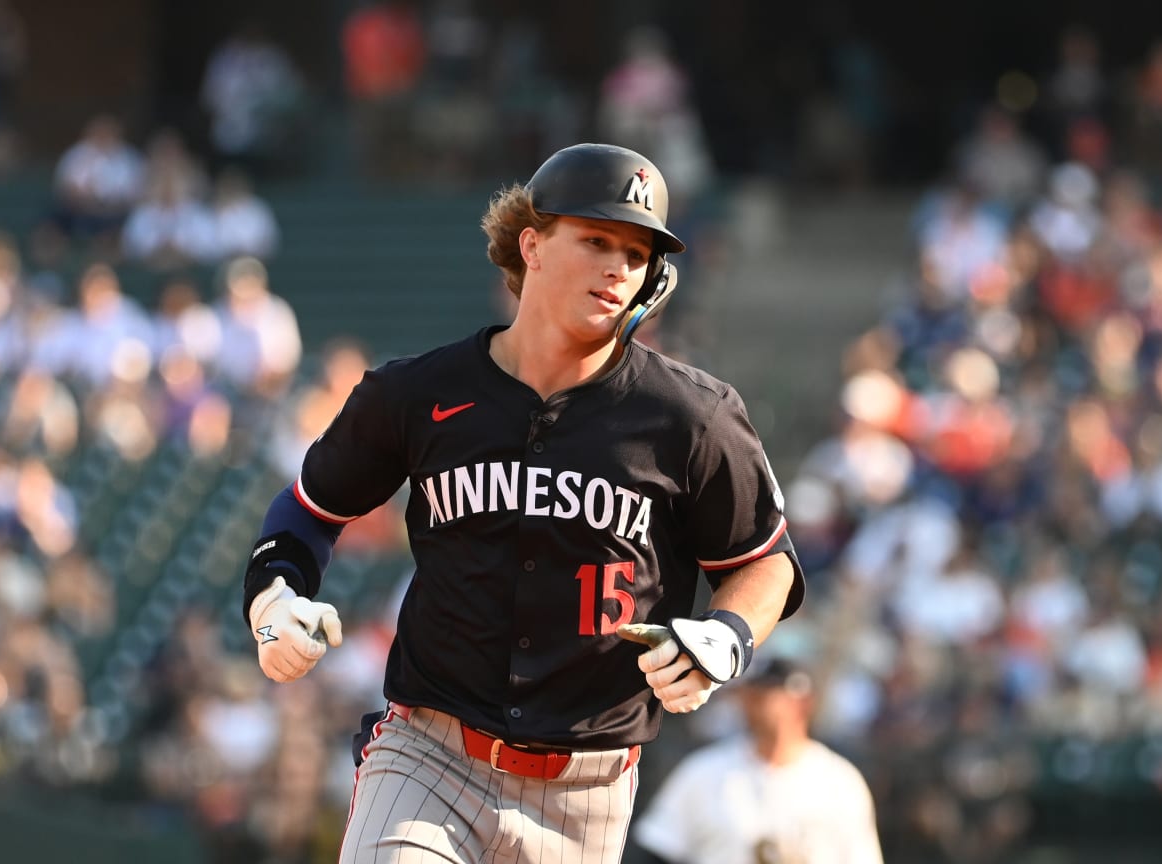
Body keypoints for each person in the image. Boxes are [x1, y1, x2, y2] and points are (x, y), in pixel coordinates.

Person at [238, 142, 804, 862]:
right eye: (596, 239)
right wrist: (274, 597)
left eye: (637, 254)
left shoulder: (691, 416)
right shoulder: (417, 393)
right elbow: (309, 512)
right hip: (429, 758)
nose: (617, 268)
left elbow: (764, 561)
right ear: (531, 244)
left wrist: (727, 637)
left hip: (588, 790)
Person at [630, 657, 884, 863]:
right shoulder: (704, 770)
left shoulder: (840, 782)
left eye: (766, 695)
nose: (752, 704)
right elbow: (656, 850)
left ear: (802, 703)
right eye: (750, 695)